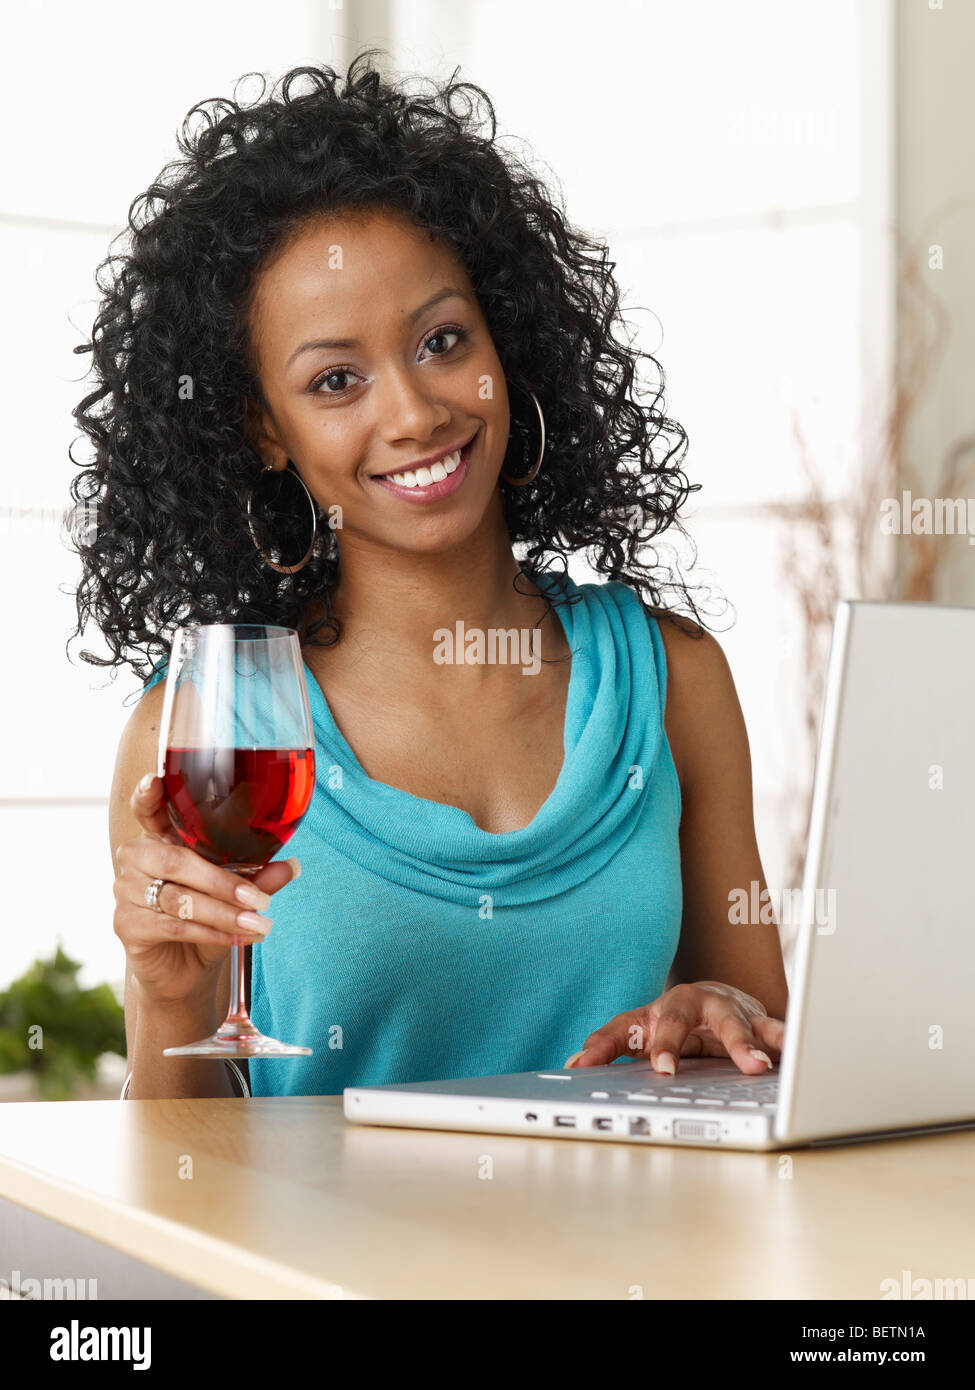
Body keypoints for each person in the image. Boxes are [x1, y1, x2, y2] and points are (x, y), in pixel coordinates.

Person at [71, 53, 787, 1099]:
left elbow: (768, 1063)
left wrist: (716, 1010)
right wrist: (170, 997)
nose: (413, 413)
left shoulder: (673, 678)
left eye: (442, 341)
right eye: (336, 380)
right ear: (264, 429)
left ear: (507, 342)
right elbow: (177, 1172)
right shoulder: (206, 732)